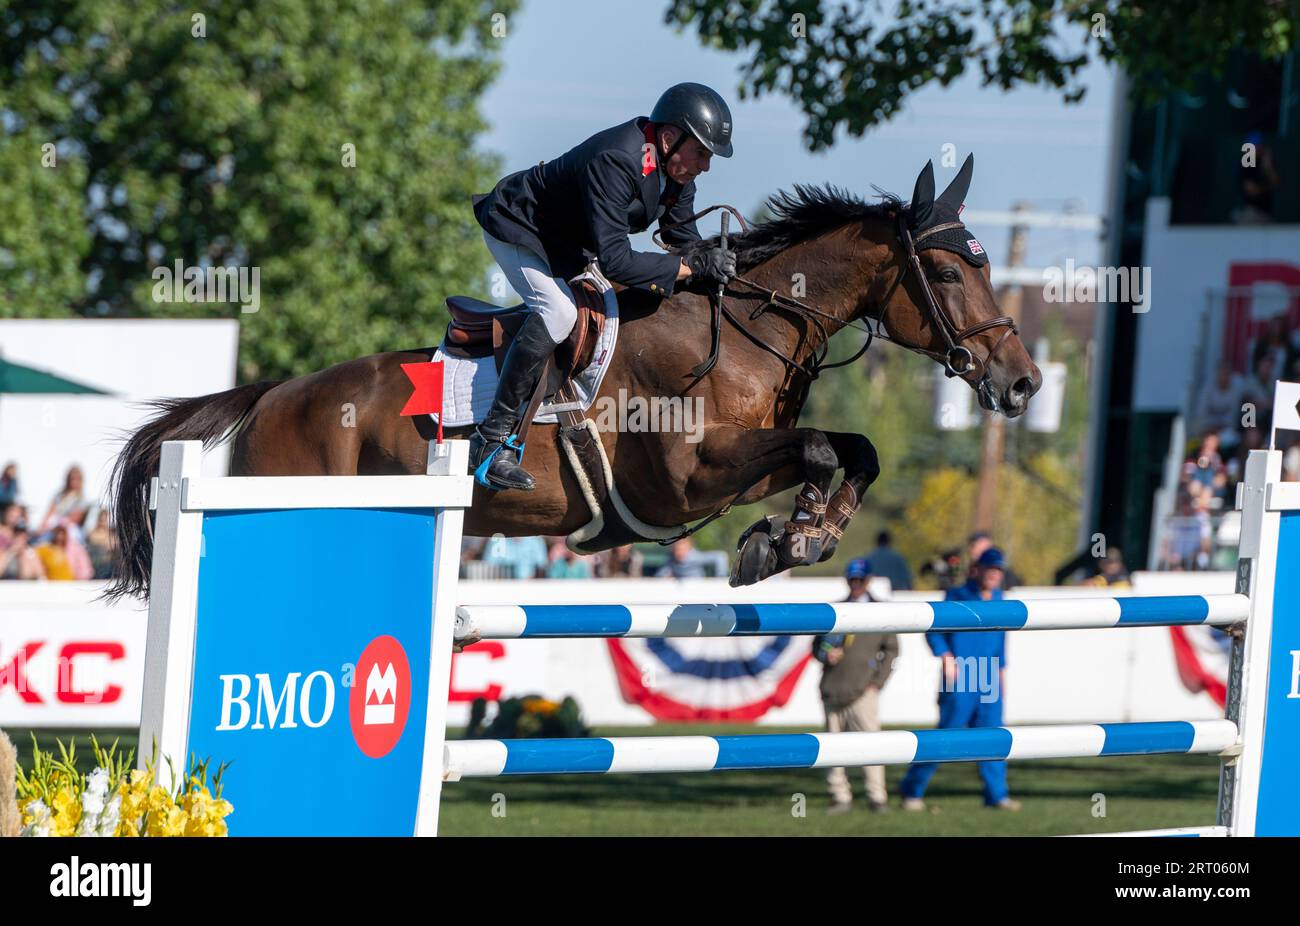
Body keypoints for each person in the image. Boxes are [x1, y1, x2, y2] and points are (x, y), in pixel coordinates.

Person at [467, 83, 737, 491]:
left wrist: (717, 261)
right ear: (669, 137)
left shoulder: (677, 172)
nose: (706, 165)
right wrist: (688, 266)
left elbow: (684, 243)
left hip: (569, 243)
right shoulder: (616, 158)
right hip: (519, 227)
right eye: (702, 152)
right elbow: (615, 259)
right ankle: (490, 438)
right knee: (558, 313)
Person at [899, 547, 1020, 811]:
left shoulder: (1001, 599)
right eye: (991, 568)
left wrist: (1001, 673)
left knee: (993, 739)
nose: (995, 574)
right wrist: (945, 656)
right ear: (977, 570)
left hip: (989, 677)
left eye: (999, 569)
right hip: (960, 676)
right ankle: (912, 790)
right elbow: (933, 630)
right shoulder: (957, 596)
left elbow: (1000, 640)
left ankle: (997, 796)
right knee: (946, 738)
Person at [812, 558, 898, 814]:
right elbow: (816, 648)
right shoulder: (833, 610)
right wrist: (824, 655)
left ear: (869, 580)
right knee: (832, 750)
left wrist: (877, 683)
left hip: (864, 692)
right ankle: (840, 797)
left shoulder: (881, 610)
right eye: (853, 579)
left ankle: (877, 797)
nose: (856, 584)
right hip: (831, 687)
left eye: (861, 579)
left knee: (872, 748)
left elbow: (892, 650)